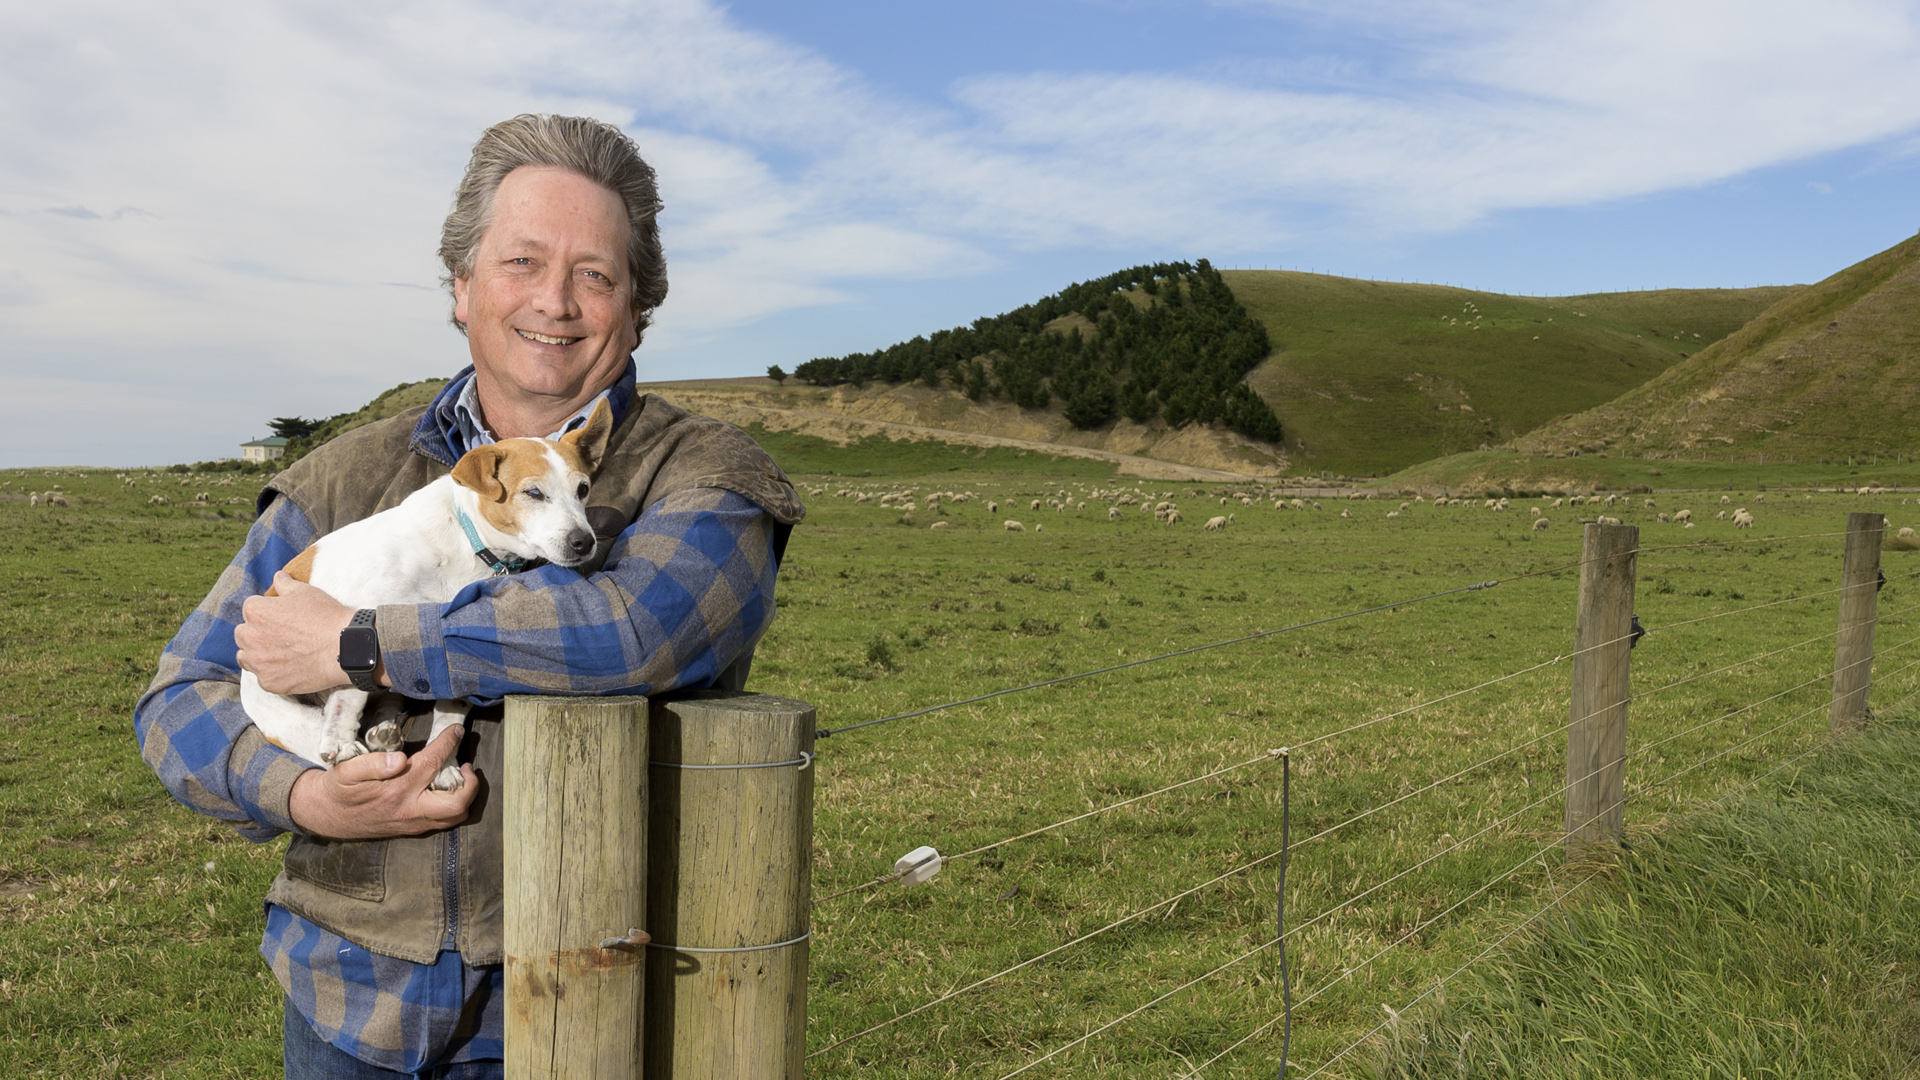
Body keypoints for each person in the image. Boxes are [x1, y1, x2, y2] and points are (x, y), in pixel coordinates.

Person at [134, 114, 804, 1078]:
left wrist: (359, 646)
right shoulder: (340, 480)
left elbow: (633, 630)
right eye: (522, 261)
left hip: (599, 1000)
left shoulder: (704, 473)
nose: (557, 303)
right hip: (347, 1003)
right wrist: (310, 793)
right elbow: (180, 697)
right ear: (461, 286)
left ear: (640, 304)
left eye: (596, 275)